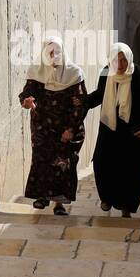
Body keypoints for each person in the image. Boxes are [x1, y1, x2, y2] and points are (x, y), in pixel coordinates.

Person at [85, 43, 140, 217]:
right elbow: (100, 93)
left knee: (132, 171)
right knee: (102, 163)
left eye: (123, 60)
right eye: (115, 60)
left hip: (133, 132)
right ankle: (107, 198)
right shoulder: (107, 72)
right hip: (109, 128)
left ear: (129, 59)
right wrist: (83, 102)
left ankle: (127, 206)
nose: (119, 65)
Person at [18, 35, 88, 215]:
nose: (54, 56)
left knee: (62, 163)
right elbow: (27, 93)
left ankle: (59, 204)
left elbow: (80, 104)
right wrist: (27, 101)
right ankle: (41, 196)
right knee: (41, 159)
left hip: (66, 127)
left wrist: (71, 129)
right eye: (50, 52)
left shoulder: (74, 73)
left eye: (57, 52)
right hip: (42, 126)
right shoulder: (37, 71)